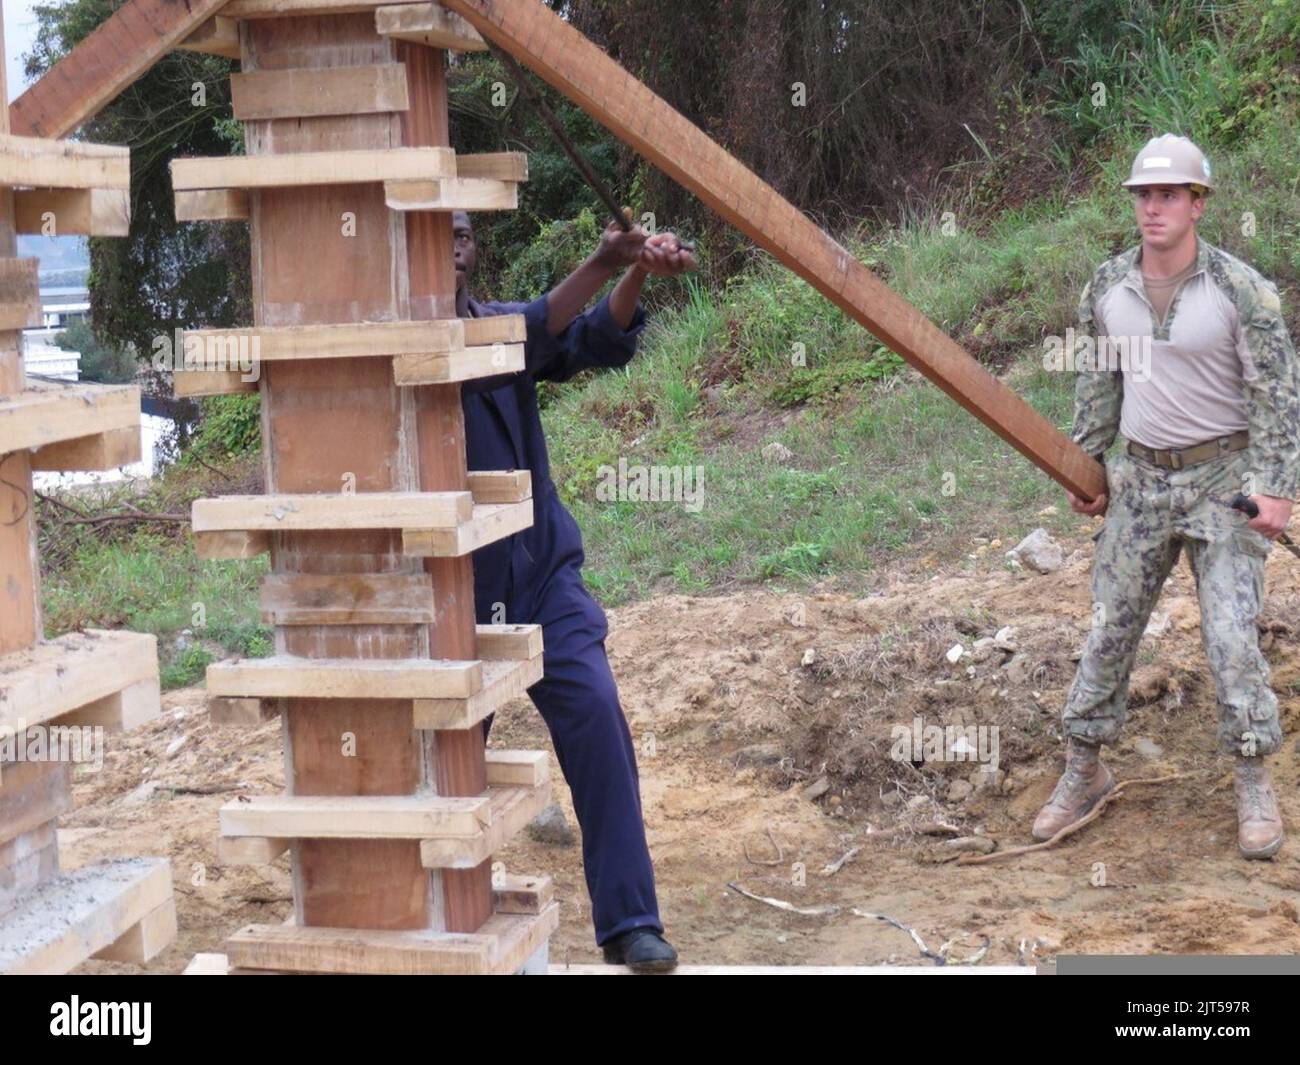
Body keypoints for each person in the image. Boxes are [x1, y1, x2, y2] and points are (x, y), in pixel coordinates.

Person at [1035, 134, 1299, 858]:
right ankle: (1083, 767)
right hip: (1143, 479)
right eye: (1143, 195)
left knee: (1231, 634)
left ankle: (1252, 779)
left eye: (1168, 195)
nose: (1153, 207)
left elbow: (1278, 394)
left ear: (1197, 203)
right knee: (1108, 626)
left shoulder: (1242, 291)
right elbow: (1099, 382)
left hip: (1224, 481)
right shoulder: (1107, 287)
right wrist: (1086, 464)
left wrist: (1276, 491)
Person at [453, 210, 696, 970]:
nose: (453, 241)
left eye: (463, 229)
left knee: (595, 713)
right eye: (438, 228)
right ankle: (443, 918)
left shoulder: (498, 323)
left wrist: (631, 272)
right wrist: (600, 255)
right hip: (451, 600)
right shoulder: (403, 344)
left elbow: (587, 336)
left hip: (541, 574)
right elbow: (537, 326)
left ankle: (629, 923)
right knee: (447, 762)